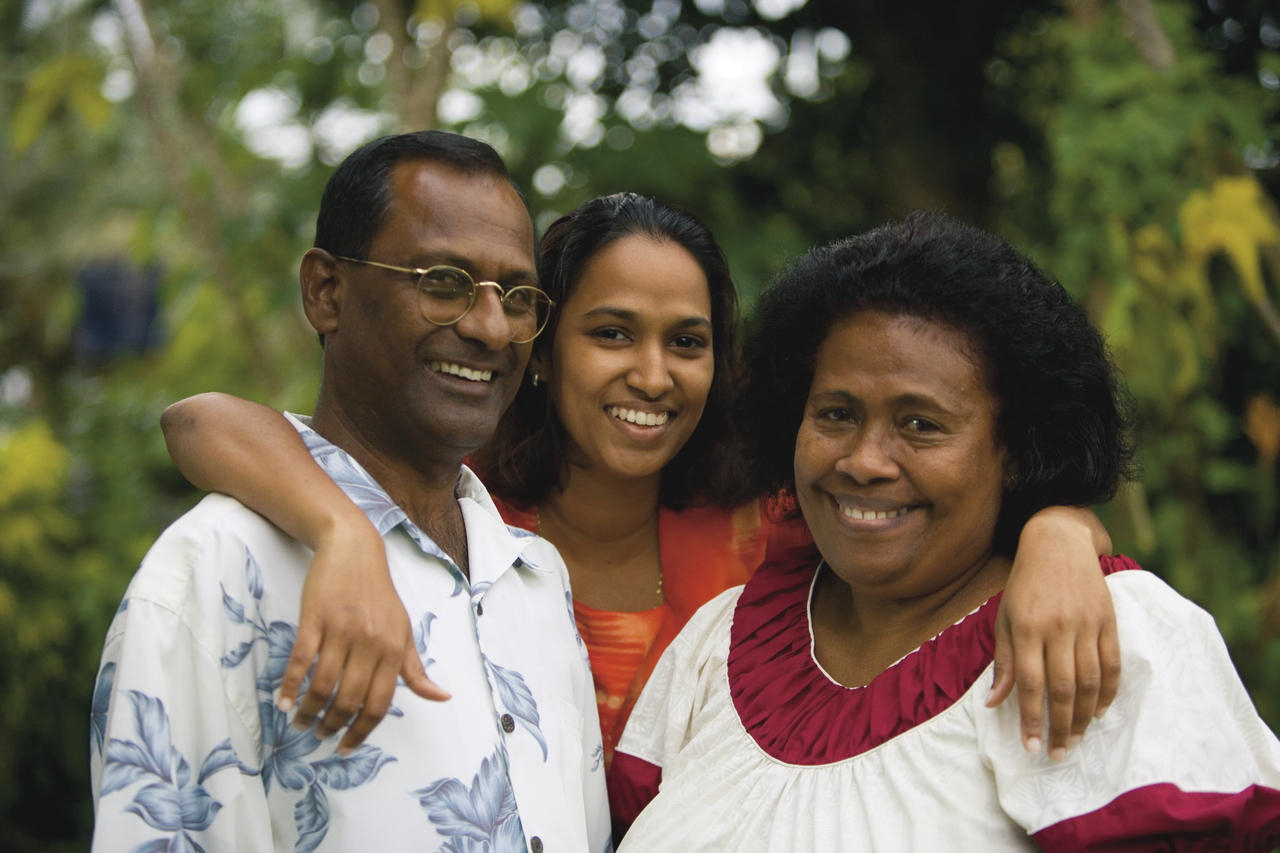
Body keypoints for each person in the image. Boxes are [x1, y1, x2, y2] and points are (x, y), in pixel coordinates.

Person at [162, 195, 1121, 786]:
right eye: (613, 333)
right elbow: (199, 419)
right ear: (541, 349)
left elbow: (945, 520)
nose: (654, 375)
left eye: (687, 342)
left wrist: (1062, 532)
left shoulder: (775, 529)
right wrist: (341, 531)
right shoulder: (466, 515)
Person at [610, 210, 1280, 851]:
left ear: (1016, 449)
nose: (864, 460)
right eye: (836, 413)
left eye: (920, 424)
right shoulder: (716, 644)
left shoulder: (1105, 632)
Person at [89, 131, 610, 853]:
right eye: (442, 282)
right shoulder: (218, 570)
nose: (491, 327)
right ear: (326, 292)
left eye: (517, 297)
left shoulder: (535, 578)